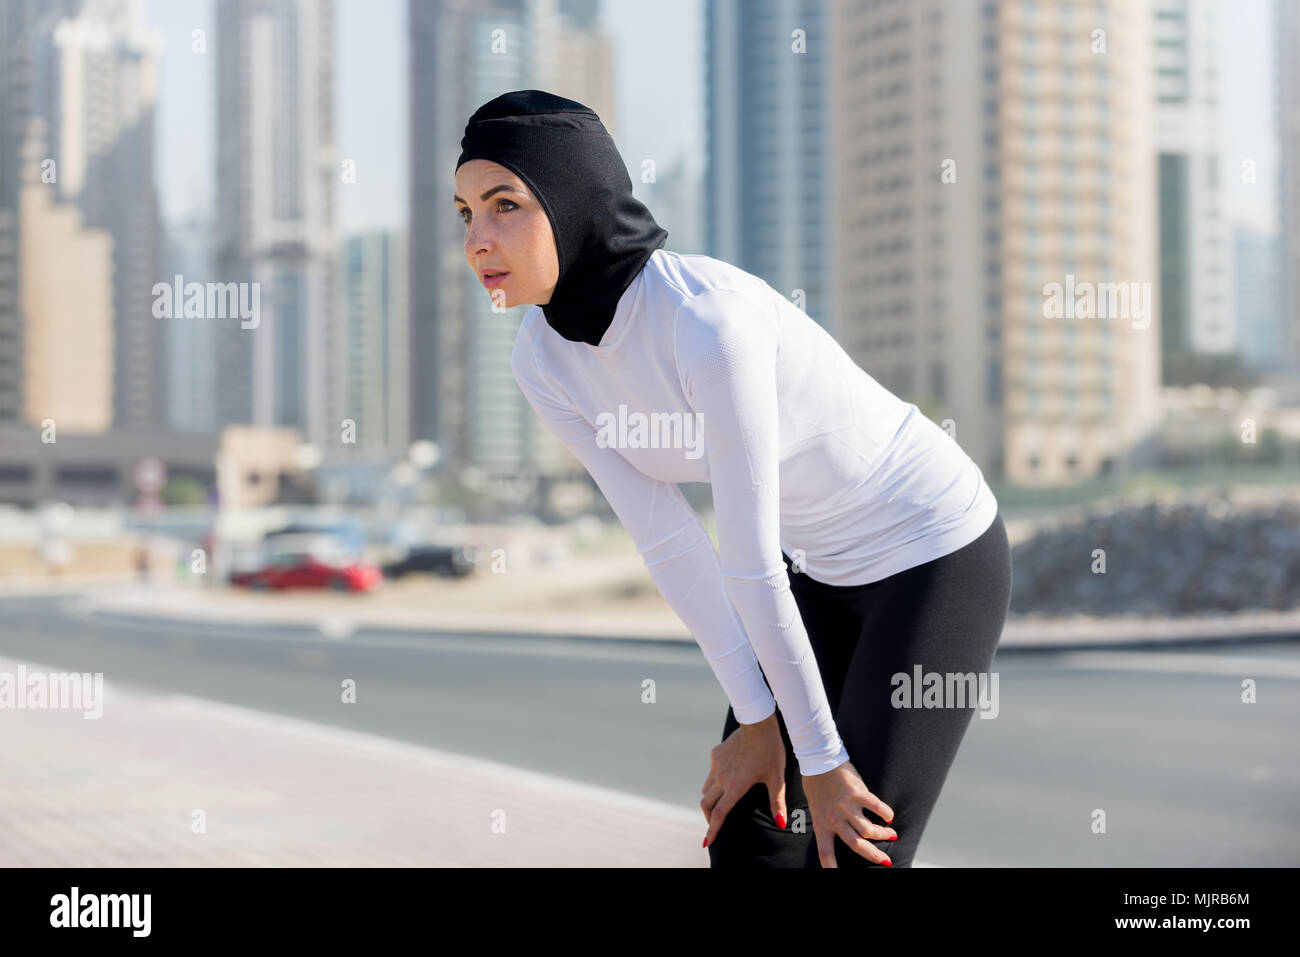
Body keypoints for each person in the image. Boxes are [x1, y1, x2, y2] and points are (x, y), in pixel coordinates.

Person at [454, 90, 1012, 868]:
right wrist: (758, 719)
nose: (478, 238)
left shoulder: (708, 323)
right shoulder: (541, 359)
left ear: (572, 199)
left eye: (504, 204)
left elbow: (745, 559)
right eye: (465, 213)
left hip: (931, 547)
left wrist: (818, 757)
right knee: (747, 839)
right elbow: (670, 540)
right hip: (811, 566)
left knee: (854, 848)